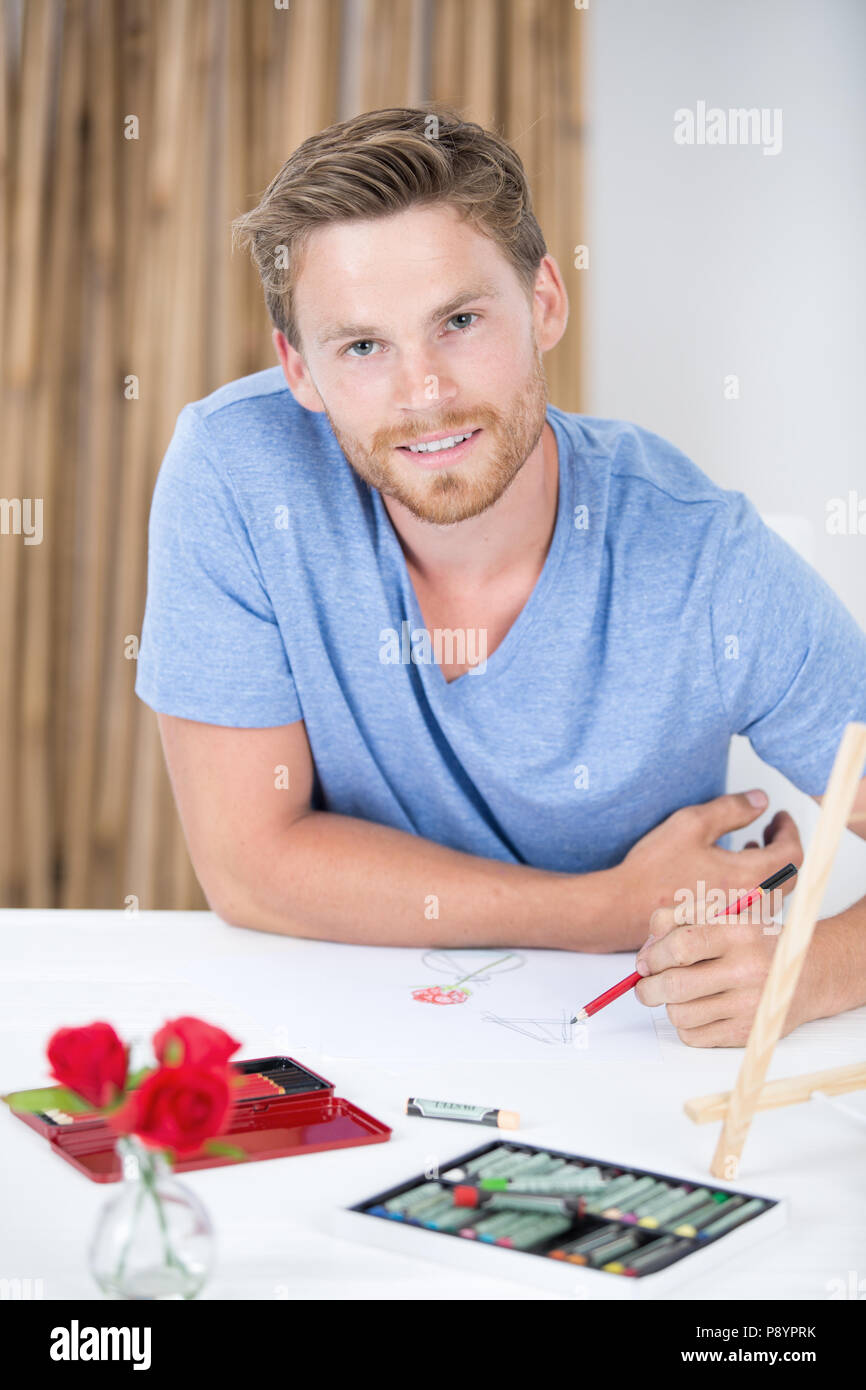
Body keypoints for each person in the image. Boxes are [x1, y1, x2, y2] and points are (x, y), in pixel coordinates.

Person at [135, 106, 866, 1046]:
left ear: (545, 302)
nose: (425, 393)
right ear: (299, 370)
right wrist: (601, 908)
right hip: (345, 1033)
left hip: (636, 1046)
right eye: (363, 346)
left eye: (461, 321)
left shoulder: (705, 560)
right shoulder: (237, 475)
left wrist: (816, 968)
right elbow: (249, 866)